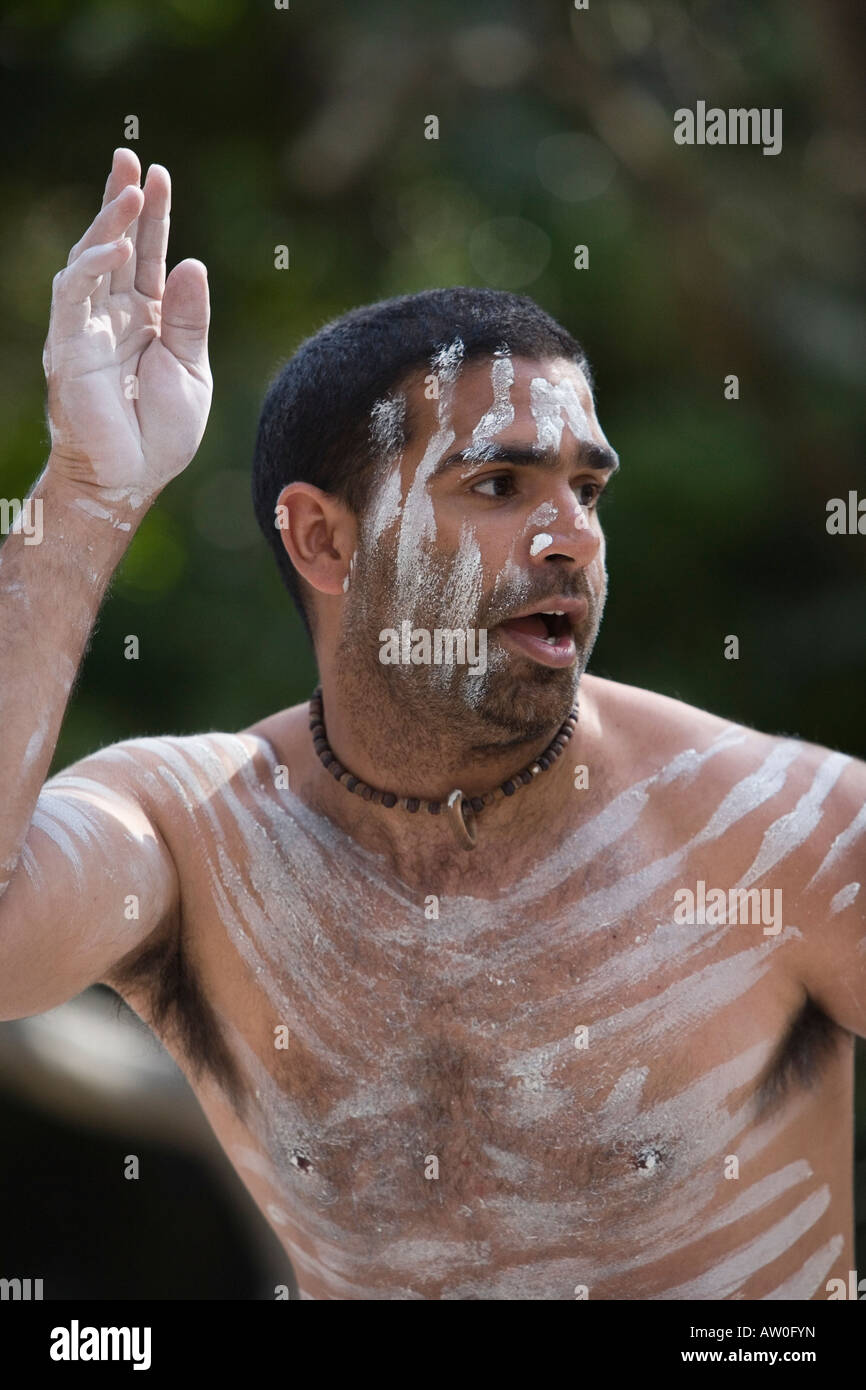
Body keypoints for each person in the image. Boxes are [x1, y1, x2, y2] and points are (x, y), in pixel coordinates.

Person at [1, 147, 863, 1301]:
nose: (571, 539)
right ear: (321, 541)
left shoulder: (788, 833)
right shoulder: (197, 833)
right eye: (499, 487)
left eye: (586, 490)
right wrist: (86, 492)